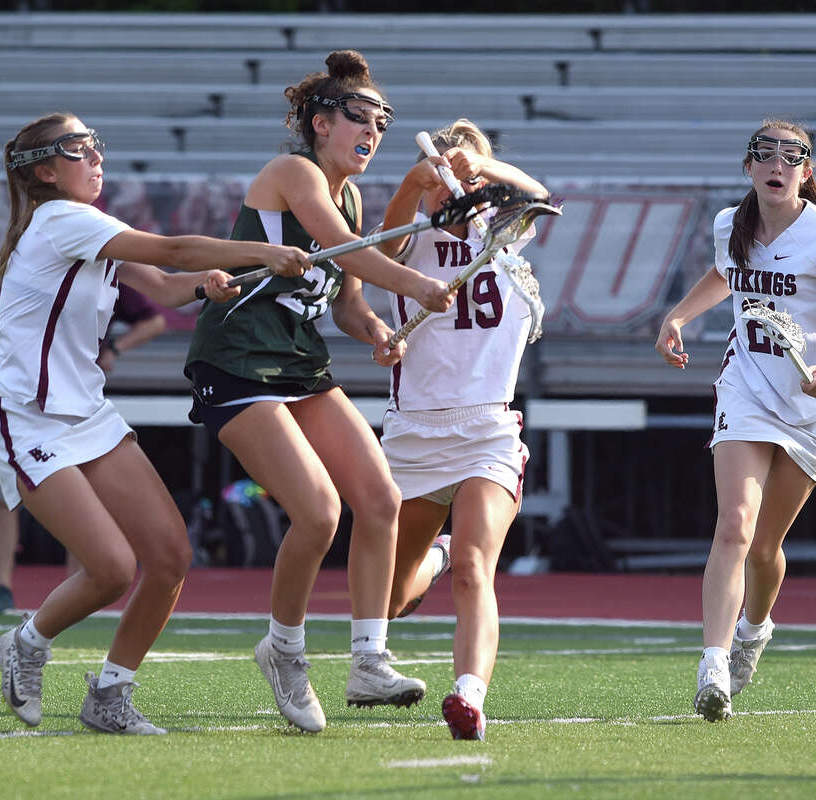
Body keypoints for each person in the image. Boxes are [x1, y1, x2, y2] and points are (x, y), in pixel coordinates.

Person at [0, 111, 310, 735]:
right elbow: (171, 249)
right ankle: (27, 642)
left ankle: (111, 693)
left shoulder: (88, 227)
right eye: (79, 149)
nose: (95, 156)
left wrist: (207, 285)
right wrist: (264, 249)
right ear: (46, 173)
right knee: (110, 569)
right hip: (27, 417)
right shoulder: (60, 221)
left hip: (88, 413)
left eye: (95, 144)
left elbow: (162, 281)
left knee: (169, 557)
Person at [184, 50, 454, 734]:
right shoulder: (293, 173)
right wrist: (418, 286)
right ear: (320, 122)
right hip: (239, 361)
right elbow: (343, 246)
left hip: (299, 364)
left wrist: (373, 331)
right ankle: (285, 651)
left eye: (384, 123)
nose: (374, 132)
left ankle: (369, 660)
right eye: (362, 118)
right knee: (318, 512)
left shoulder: (356, 194)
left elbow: (348, 299)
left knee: (381, 498)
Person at [654, 118, 816, 722]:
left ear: (805, 171)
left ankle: (754, 630)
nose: (778, 164)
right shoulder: (732, 224)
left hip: (812, 406)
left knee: (764, 547)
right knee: (734, 526)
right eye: (765, 154)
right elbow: (725, 276)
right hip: (746, 387)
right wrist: (676, 317)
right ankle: (714, 665)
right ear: (749, 166)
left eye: (791, 156)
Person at [375, 119, 547, 742]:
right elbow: (378, 254)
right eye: (440, 182)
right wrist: (414, 181)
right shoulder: (408, 236)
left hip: (487, 433)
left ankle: (469, 695)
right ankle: (438, 553)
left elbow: (540, 195)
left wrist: (485, 169)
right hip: (413, 433)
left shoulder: (501, 236)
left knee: (478, 567)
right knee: (388, 598)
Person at [0, 284, 168, 614]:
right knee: (4, 496)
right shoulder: (33, 272)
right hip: (22, 405)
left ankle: (79, 589)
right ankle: (2, 586)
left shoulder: (103, 270)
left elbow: (156, 314)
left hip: (75, 402)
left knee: (85, 496)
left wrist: (114, 349)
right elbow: (0, 343)